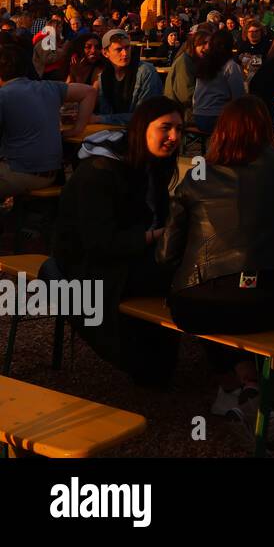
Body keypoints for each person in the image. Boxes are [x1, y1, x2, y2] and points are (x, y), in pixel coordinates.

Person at [160, 97, 274, 445]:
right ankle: (253, 391)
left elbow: (166, 253)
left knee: (219, 301)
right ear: (265, 130)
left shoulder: (197, 173)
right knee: (245, 301)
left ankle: (234, 387)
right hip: (268, 299)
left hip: (196, 303)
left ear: (221, 132)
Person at [50, 96, 184, 385]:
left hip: (129, 256)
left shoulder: (149, 165)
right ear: (141, 128)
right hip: (91, 267)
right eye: (166, 127)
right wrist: (157, 235)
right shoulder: (100, 172)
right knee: (184, 275)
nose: (174, 136)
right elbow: (99, 243)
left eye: (179, 129)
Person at [0, 43, 97, 197]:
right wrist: (77, 128)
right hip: (50, 173)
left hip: (21, 172)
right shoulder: (48, 87)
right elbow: (89, 92)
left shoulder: (3, 95)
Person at [94, 29, 163, 125]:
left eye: (127, 48)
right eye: (119, 49)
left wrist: (101, 119)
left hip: (142, 132)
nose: (125, 53)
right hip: (113, 133)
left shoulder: (146, 72)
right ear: (106, 53)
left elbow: (145, 115)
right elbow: (105, 111)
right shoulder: (104, 77)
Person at [192, 30, 246, 133]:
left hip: (199, 115)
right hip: (217, 116)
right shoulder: (230, 66)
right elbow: (239, 97)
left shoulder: (203, 64)